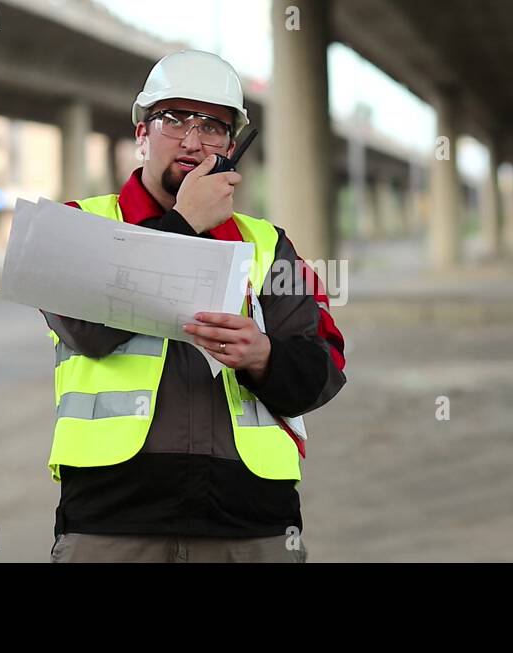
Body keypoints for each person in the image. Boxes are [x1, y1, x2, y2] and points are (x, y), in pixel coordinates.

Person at [43, 50, 347, 563]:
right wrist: (184, 224)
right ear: (142, 133)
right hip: (111, 522)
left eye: (211, 125)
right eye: (173, 119)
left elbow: (324, 372)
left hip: (252, 525)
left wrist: (264, 357)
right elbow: (86, 328)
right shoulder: (82, 224)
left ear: (232, 146)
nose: (191, 140)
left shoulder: (268, 246)